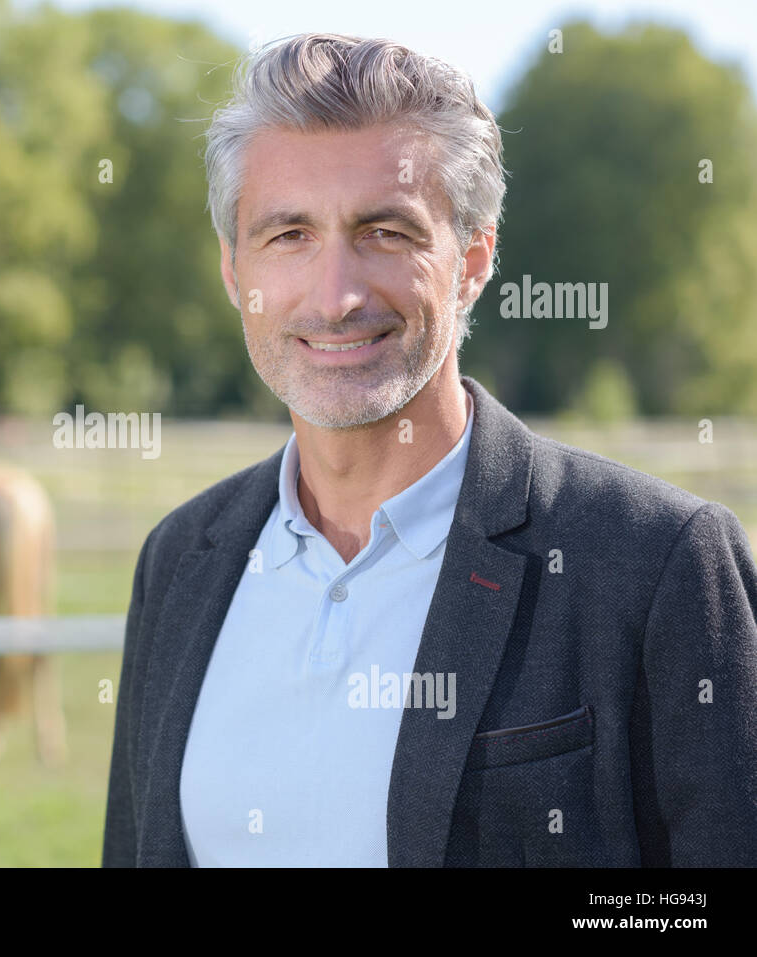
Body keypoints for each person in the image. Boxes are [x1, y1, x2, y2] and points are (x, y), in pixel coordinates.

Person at [102, 32, 757, 867]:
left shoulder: (657, 561)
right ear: (235, 271)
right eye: (289, 235)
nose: (336, 296)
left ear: (474, 261)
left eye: (385, 232)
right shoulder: (180, 561)